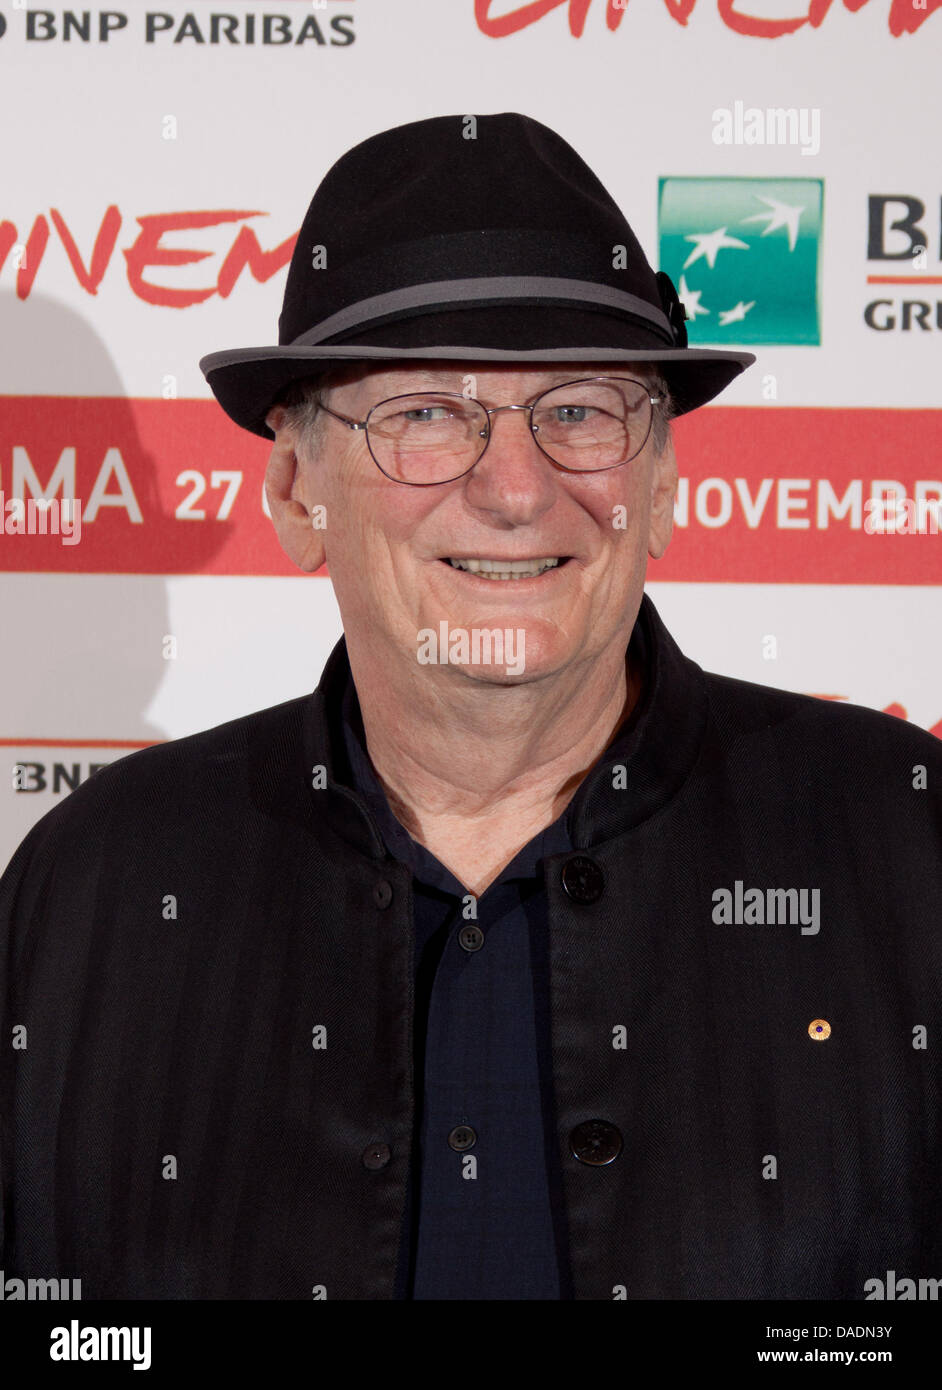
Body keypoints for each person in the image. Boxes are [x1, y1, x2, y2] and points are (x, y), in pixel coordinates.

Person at [1, 113, 940, 1301]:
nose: (513, 486)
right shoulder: (92, 891)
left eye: (582, 408)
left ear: (658, 484)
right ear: (296, 492)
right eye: (426, 413)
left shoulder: (908, 849)